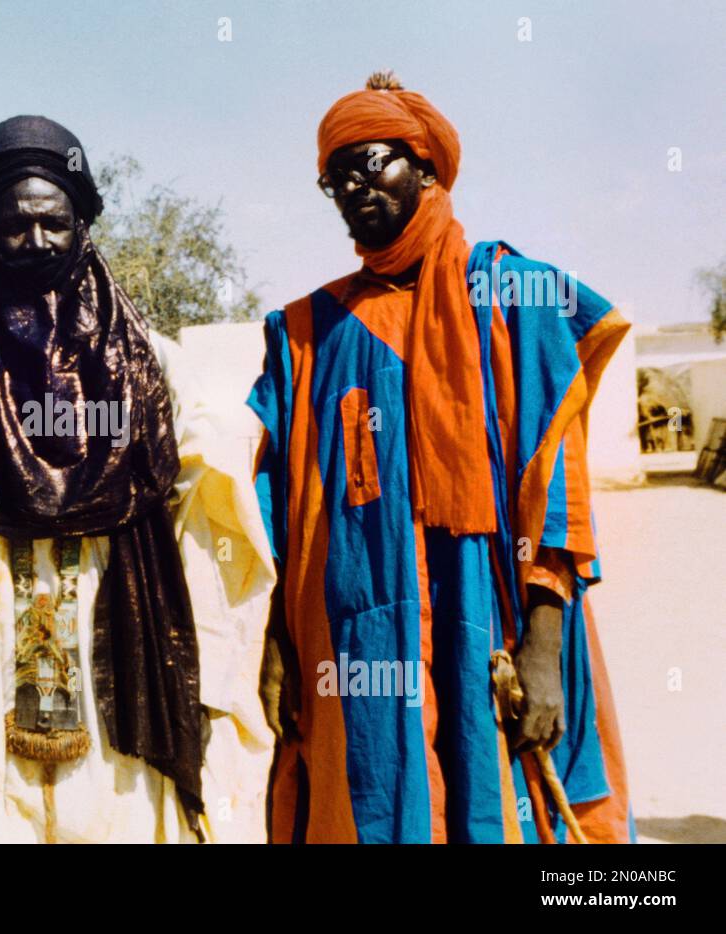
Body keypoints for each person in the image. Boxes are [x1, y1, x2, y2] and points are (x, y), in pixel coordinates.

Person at [249, 74, 633, 843]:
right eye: (336, 176)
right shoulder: (307, 332)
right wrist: (277, 642)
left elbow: (556, 482)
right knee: (379, 801)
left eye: (372, 163)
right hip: (360, 636)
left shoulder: (513, 295)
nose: (353, 187)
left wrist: (544, 648)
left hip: (491, 612)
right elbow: (284, 516)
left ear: (424, 166)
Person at [0, 115, 275, 843]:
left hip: (129, 663)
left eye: (54, 223)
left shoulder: (155, 368)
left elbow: (211, 529)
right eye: (13, 227)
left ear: (82, 225)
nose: (36, 242)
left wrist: (206, 677)